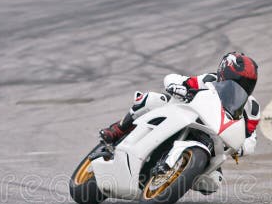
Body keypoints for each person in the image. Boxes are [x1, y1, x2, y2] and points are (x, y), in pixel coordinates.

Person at [99, 51, 261, 157]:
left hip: (212, 142)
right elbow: (176, 79)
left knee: (213, 183)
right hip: (185, 120)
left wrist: (240, 148)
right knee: (153, 99)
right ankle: (117, 130)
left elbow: (250, 138)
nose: (242, 86)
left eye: (248, 84)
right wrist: (177, 87)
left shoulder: (252, 108)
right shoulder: (208, 80)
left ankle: (176, 176)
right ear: (224, 72)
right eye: (239, 81)